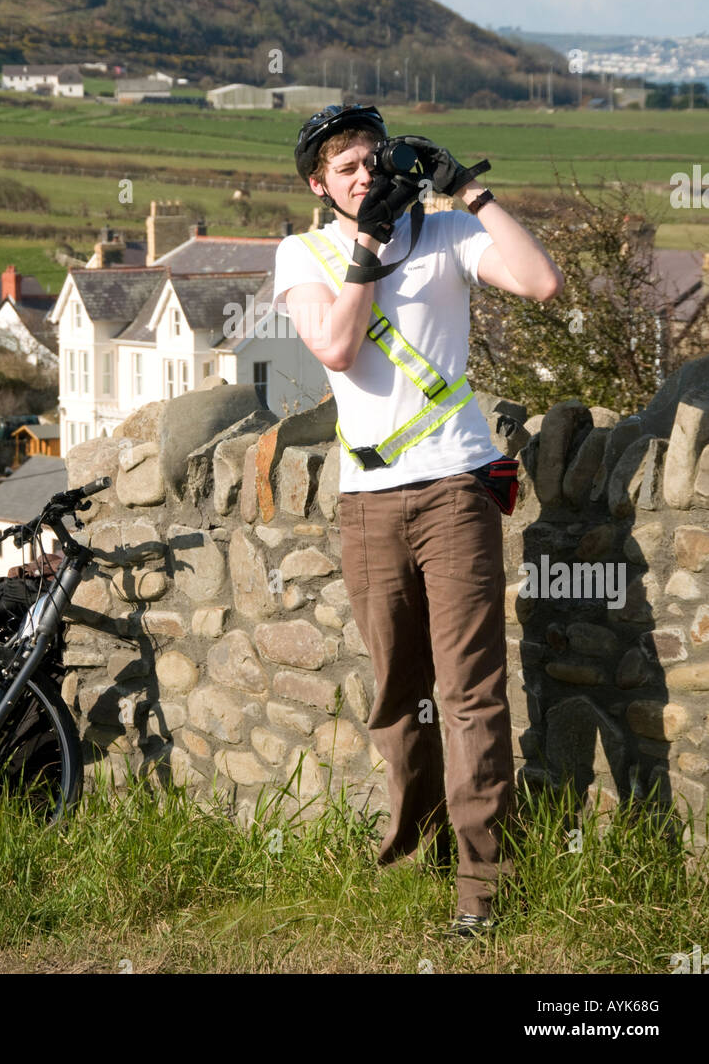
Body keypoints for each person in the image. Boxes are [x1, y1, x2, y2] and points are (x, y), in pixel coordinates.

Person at [272, 104, 564, 937]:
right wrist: (365, 246)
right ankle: (417, 852)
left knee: (470, 693)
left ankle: (483, 887)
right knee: (399, 695)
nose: (364, 175)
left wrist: (468, 192)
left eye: (373, 159)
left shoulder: (441, 235)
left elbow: (541, 282)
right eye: (345, 167)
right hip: (367, 500)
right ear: (318, 186)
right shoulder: (305, 252)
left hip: (456, 487)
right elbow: (334, 348)